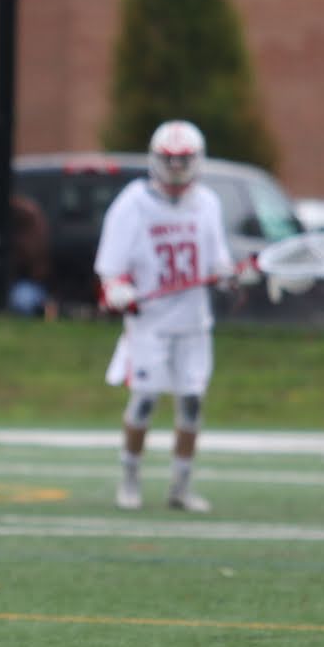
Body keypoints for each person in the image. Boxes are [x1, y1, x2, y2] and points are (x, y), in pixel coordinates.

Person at [93, 119, 233, 515]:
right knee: (144, 400)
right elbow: (111, 266)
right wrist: (117, 289)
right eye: (168, 159)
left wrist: (227, 276)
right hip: (150, 322)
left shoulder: (207, 203)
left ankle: (181, 487)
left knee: (192, 403)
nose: (175, 167)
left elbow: (217, 262)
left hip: (192, 321)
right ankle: (129, 479)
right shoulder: (133, 203)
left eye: (182, 159)